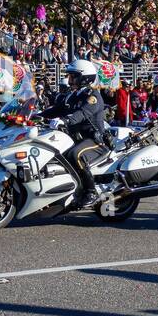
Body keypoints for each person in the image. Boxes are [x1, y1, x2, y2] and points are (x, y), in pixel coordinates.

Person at [41, 58, 110, 207]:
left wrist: (65, 121)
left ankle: (91, 191)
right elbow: (57, 109)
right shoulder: (73, 95)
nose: (70, 79)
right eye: (70, 76)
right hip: (74, 138)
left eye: (73, 76)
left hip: (94, 140)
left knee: (75, 155)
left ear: (84, 77)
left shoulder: (93, 96)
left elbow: (82, 113)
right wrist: (39, 115)